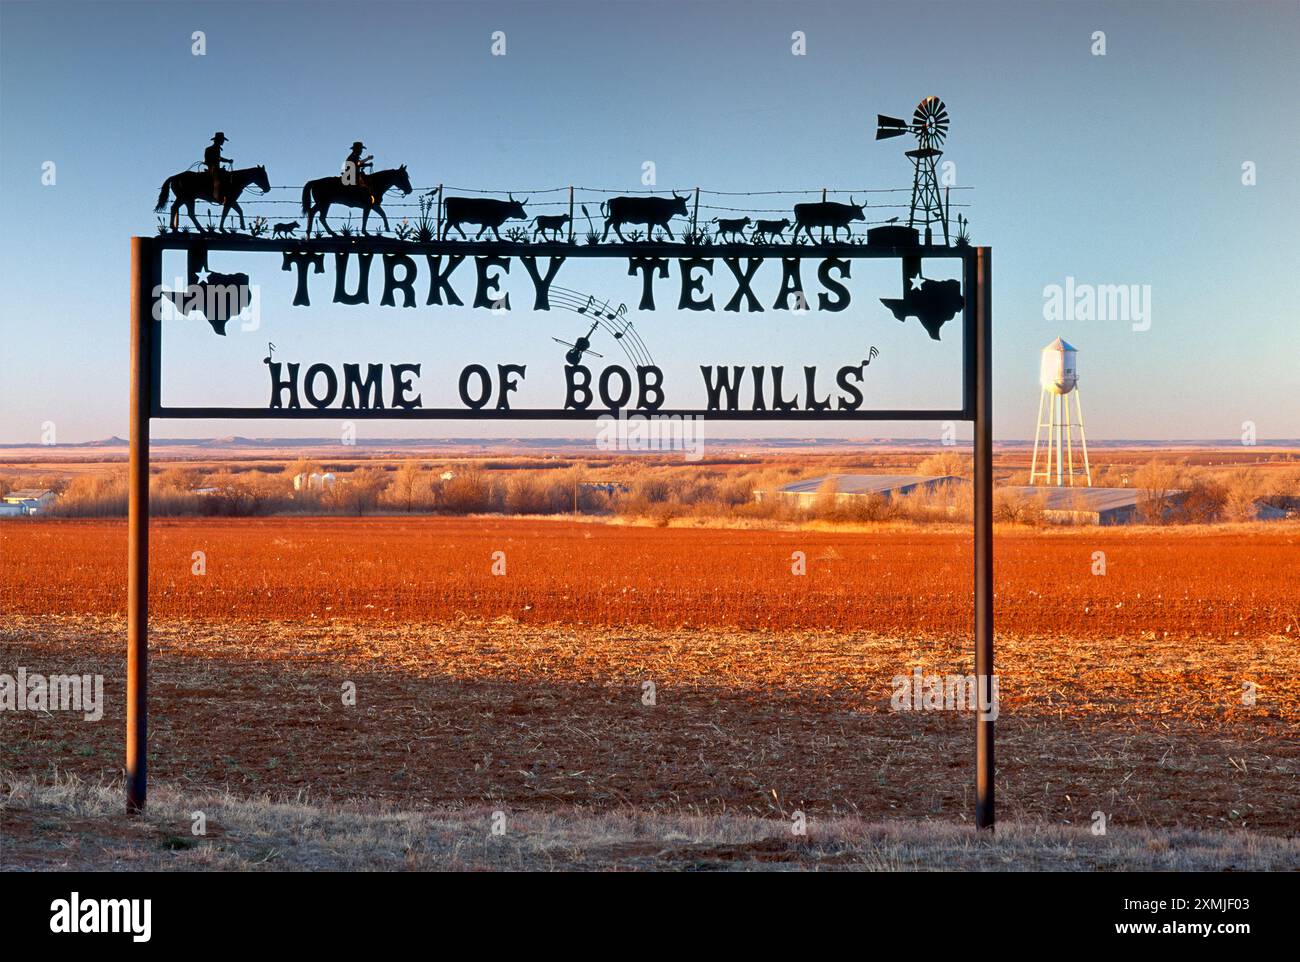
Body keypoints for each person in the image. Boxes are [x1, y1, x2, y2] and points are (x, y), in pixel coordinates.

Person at [204, 132, 232, 202]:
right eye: (222, 140)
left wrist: (228, 161)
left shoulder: (216, 149)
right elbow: (207, 160)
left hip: (216, 169)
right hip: (212, 169)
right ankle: (217, 196)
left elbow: (219, 158)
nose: (223, 142)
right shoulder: (210, 149)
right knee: (218, 180)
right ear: (218, 140)